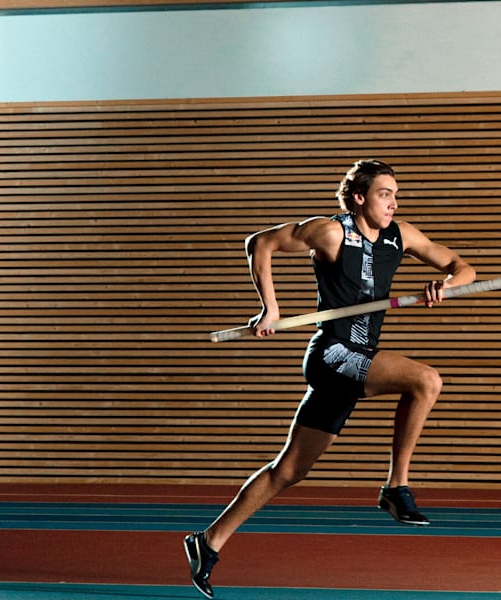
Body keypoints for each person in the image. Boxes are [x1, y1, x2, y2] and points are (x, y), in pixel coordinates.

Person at [184, 159, 475, 599]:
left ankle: (207, 542)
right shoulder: (331, 232)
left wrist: (446, 286)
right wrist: (271, 309)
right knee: (426, 381)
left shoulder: (402, 235)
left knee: (288, 471)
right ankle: (396, 486)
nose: (394, 202)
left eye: (396, 194)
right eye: (384, 194)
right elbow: (259, 243)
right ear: (359, 198)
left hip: (358, 357)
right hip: (334, 355)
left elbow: (461, 265)